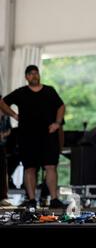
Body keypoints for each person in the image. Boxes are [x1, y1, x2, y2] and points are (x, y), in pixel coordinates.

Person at [3, 65, 66, 209]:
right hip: (27, 136)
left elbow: (61, 106)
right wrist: (13, 115)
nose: (34, 76)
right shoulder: (21, 92)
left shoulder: (49, 90)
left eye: (36, 73)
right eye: (30, 74)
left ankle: (54, 199)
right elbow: (2, 102)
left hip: (48, 135)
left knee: (51, 166)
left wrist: (57, 122)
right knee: (29, 167)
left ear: (39, 75)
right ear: (26, 77)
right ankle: (32, 199)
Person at [0, 98, 18, 207]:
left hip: (2, 146)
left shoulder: (5, 117)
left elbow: (9, 130)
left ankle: (2, 197)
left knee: (3, 171)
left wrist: (5, 134)